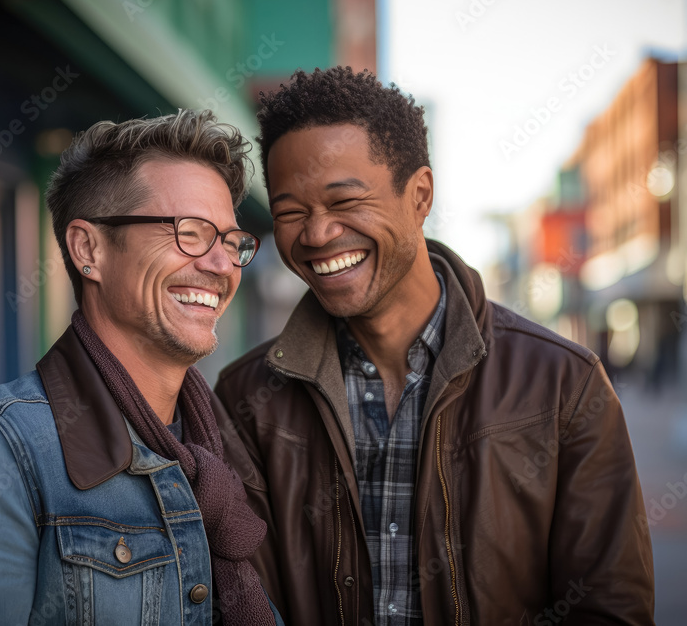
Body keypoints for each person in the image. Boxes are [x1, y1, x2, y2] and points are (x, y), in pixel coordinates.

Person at [211, 67, 655, 625]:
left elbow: (611, 610)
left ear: (419, 195)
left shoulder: (565, 384)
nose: (318, 234)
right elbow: (248, 604)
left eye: (344, 202)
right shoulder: (246, 399)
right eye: (291, 213)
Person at [0, 109, 282, 625]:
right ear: (88, 248)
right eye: (189, 232)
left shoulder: (215, 449)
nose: (222, 265)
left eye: (229, 241)